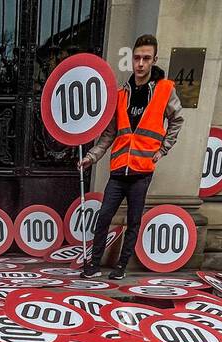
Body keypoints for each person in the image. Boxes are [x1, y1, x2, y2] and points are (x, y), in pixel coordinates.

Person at [79, 34, 184, 279]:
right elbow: (109, 134)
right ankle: (93, 265)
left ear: (154, 60)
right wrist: (91, 158)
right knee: (104, 216)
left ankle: (121, 267)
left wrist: (163, 149)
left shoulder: (164, 90)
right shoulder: (121, 94)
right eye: (137, 58)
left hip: (142, 171)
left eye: (146, 58)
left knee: (133, 221)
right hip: (118, 170)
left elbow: (177, 119)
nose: (140, 63)